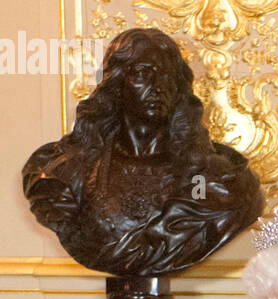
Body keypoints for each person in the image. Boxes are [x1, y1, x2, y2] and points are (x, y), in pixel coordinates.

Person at [22, 27, 261, 276]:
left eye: (167, 76)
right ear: (116, 83)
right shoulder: (65, 172)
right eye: (142, 74)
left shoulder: (206, 175)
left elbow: (202, 202)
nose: (157, 87)